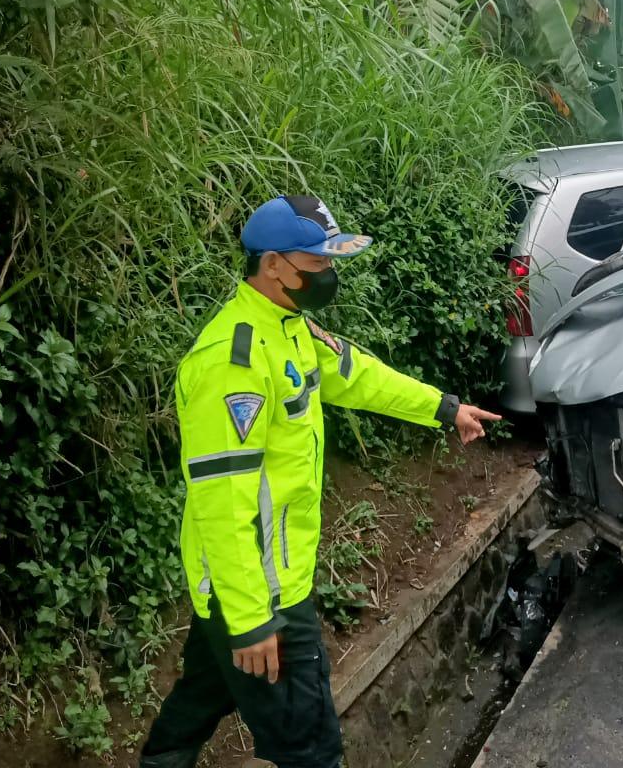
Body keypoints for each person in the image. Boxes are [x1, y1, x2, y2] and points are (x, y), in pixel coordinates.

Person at [140, 195, 501, 768]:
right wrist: (254, 618)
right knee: (311, 748)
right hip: (263, 593)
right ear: (274, 265)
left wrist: (444, 408)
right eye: (318, 265)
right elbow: (223, 501)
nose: (329, 276)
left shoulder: (290, 330)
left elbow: (361, 378)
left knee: (203, 694)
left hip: (257, 584)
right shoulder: (230, 364)